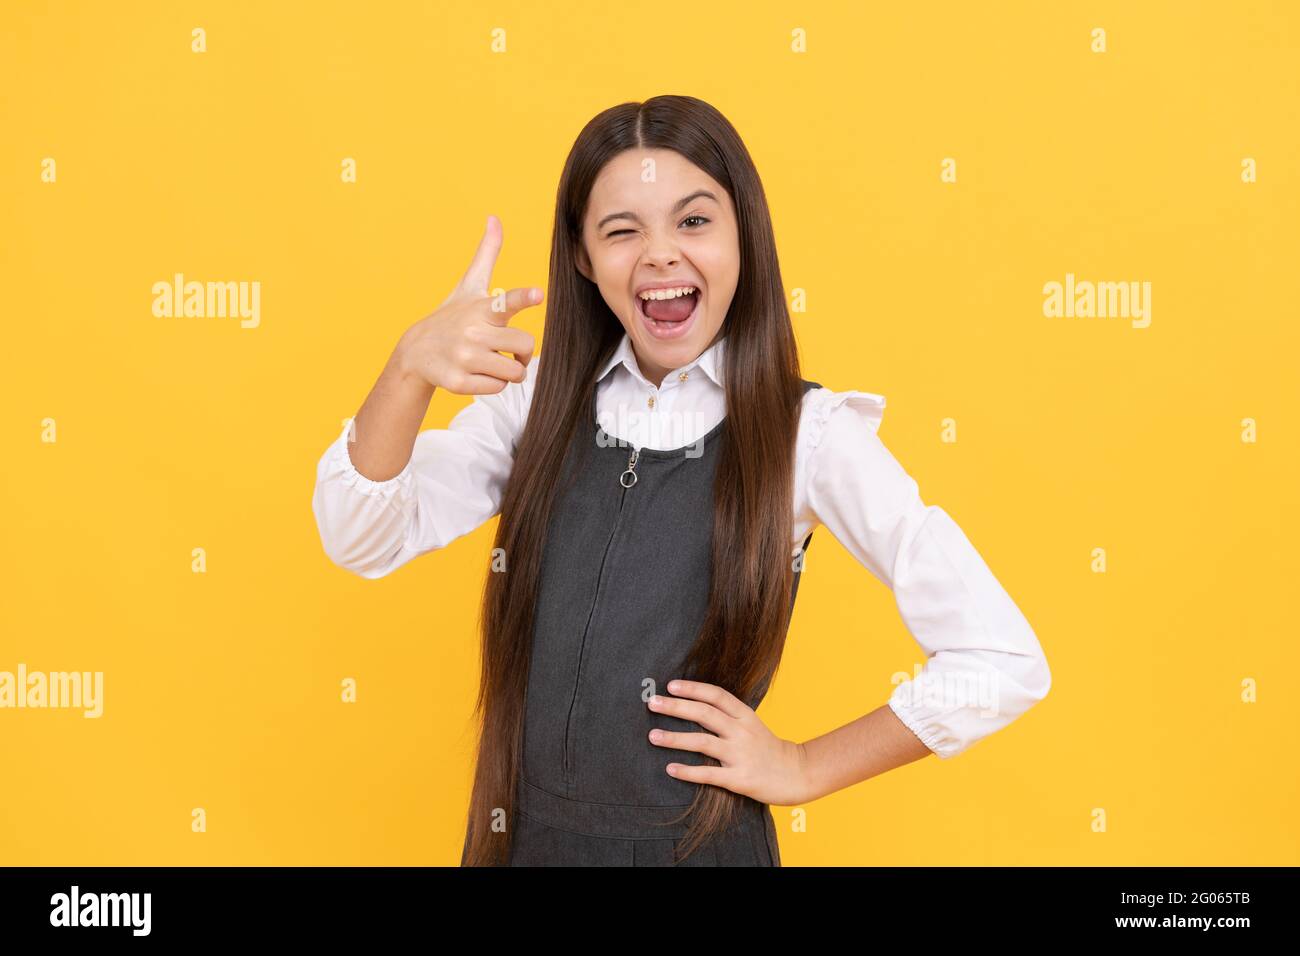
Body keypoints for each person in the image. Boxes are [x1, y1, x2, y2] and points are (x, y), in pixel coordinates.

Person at [311, 94, 1050, 866]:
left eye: (693, 221)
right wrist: (407, 373)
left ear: (744, 237)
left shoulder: (808, 434)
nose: (660, 254)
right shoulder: (533, 407)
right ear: (581, 257)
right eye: (622, 231)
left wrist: (804, 766)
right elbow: (361, 537)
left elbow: (1000, 659)